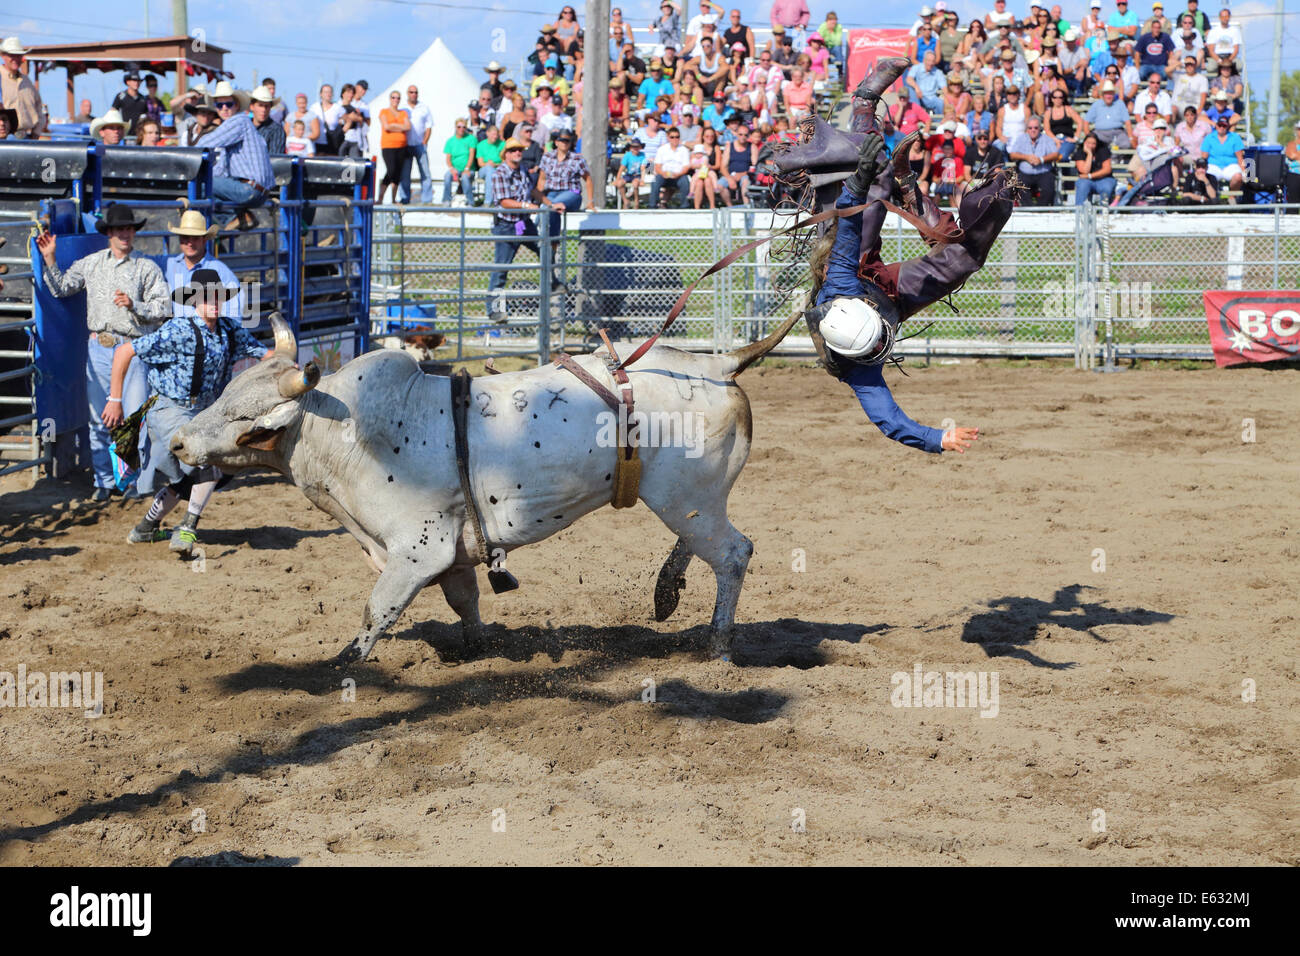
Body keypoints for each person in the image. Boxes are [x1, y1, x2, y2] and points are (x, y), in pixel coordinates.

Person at [789, 67, 1013, 456]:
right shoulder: (861, 371)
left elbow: (848, 227)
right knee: (961, 262)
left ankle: (864, 105)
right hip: (888, 298)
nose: (881, 347)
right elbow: (890, 421)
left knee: (871, 187)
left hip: (858, 272)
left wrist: (858, 185)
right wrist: (938, 438)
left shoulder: (839, 283)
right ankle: (908, 186)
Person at [105, 270, 277, 554]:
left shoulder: (229, 330)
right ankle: (187, 528)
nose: (213, 302)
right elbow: (124, 352)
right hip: (169, 409)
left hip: (203, 412)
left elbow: (263, 354)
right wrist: (114, 399)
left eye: (218, 296)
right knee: (206, 462)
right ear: (195, 300)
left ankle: (145, 529)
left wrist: (285, 363)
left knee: (189, 480)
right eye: (206, 296)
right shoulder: (179, 330)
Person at [36, 204, 170, 500]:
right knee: (100, 419)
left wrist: (135, 306)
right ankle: (104, 480)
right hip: (100, 347)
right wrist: (49, 259)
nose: (125, 233)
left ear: (134, 232)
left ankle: (131, 480)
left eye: (129, 228)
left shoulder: (146, 267)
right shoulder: (92, 263)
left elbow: (164, 308)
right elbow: (62, 288)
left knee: (133, 419)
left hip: (132, 348)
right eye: (120, 229)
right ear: (109, 233)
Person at [486, 138, 565, 320]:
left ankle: (552, 282)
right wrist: (526, 205)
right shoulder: (500, 173)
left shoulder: (522, 170)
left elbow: (533, 191)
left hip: (523, 223)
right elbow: (504, 202)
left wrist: (550, 204)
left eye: (519, 150)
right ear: (506, 154)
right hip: (506, 225)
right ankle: (494, 310)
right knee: (501, 269)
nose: (518, 153)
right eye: (513, 150)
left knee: (545, 249)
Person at [198, 84, 275, 230]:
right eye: (220, 105)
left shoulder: (239, 121)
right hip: (258, 190)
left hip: (250, 189)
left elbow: (204, 143)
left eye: (228, 104)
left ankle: (230, 220)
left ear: (237, 105)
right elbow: (221, 171)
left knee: (201, 186)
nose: (224, 108)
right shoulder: (244, 124)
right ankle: (240, 218)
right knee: (211, 184)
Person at [1008, 116, 1060, 206]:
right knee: (1020, 186)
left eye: (1036, 128)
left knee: (1048, 188)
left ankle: (1041, 211)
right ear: (1027, 129)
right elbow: (1012, 155)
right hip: (1025, 173)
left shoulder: (1047, 139)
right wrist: (1026, 157)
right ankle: (1029, 210)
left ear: (1040, 128)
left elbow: (1056, 154)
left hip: (1044, 171)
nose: (1033, 130)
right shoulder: (1021, 139)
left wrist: (1041, 159)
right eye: (1030, 128)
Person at [0, 37, 45, 138]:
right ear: (3, 56)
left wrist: (37, 132)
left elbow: (39, 107)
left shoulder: (27, 81)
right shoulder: (1, 78)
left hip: (28, 137)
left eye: (18, 56)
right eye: (12, 55)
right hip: (6, 138)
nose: (15, 59)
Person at [397, 84, 434, 205]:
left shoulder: (424, 108)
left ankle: (427, 199)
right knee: (405, 174)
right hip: (406, 145)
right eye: (411, 92)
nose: (414, 94)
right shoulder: (402, 108)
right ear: (407, 93)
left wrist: (425, 141)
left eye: (416, 92)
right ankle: (404, 198)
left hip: (419, 144)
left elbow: (429, 126)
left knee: (425, 172)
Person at [378, 91, 410, 205]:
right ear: (390, 99)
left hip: (401, 146)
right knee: (390, 170)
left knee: (397, 173)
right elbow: (386, 126)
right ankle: (380, 198)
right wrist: (400, 127)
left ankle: (393, 199)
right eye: (393, 97)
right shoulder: (384, 112)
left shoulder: (403, 113)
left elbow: (408, 126)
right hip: (388, 146)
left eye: (398, 98)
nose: (395, 100)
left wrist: (393, 126)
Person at [1199, 115, 1244, 193]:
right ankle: (1213, 197)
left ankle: (1232, 196)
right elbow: (1204, 157)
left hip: (1231, 166)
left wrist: (1244, 172)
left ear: (1228, 126)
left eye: (1224, 125)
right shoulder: (1209, 137)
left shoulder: (1235, 137)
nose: (1222, 127)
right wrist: (1201, 169)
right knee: (1206, 177)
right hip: (1213, 165)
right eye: (1220, 125)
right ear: (1216, 126)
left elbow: (1240, 158)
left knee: (1238, 177)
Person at [651, 125, 692, 208]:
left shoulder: (684, 150)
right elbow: (657, 166)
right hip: (664, 175)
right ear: (668, 138)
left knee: (685, 181)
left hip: (679, 175)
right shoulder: (662, 149)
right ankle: (652, 205)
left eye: (677, 137)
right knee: (655, 181)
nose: (675, 139)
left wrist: (678, 174)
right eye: (672, 137)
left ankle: (685, 206)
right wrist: (663, 173)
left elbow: (686, 167)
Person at [1085, 80, 1134, 147]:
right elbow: (1086, 122)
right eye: (1106, 93)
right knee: (1094, 144)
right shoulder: (1097, 104)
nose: (1108, 96)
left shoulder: (1120, 103)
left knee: (1126, 144)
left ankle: (1116, 157)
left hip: (1117, 133)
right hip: (1100, 133)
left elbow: (1127, 122)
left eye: (1110, 93)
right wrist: (1088, 136)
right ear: (1103, 95)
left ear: (1114, 94)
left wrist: (1131, 138)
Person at [1074, 129, 1116, 204]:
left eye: (1093, 143)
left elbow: (1107, 170)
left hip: (1104, 179)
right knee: (1082, 185)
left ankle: (1103, 212)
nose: (1090, 146)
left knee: (1107, 187)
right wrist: (1089, 155)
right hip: (1087, 181)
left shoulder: (1103, 151)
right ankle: (1080, 211)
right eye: (1088, 143)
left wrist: (1089, 176)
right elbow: (1084, 171)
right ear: (1084, 143)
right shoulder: (1079, 152)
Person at [443, 118, 477, 204]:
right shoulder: (450, 141)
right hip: (455, 168)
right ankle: (446, 200)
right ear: (455, 127)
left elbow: (471, 155)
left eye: (463, 127)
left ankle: (470, 201)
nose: (461, 129)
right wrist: (451, 168)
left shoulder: (471, 139)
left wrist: (467, 168)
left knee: (465, 178)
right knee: (447, 176)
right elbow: (448, 158)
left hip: (468, 168)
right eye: (459, 127)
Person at [475, 123, 506, 205]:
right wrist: (488, 164)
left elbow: (505, 161)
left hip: (498, 169)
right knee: (489, 170)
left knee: (491, 172)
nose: (495, 137)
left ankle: (489, 202)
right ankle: (489, 201)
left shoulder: (502, 144)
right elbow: (480, 163)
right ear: (487, 133)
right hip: (484, 170)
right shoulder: (481, 145)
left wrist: (495, 164)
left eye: (496, 135)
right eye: (493, 134)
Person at [250, 84, 285, 155]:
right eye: (260, 105)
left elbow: (274, 160)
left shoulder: (276, 130)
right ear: (252, 107)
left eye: (267, 106)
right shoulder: (244, 127)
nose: (263, 109)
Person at [615, 137, 648, 207]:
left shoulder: (642, 156)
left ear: (640, 147)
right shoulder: (627, 155)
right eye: (633, 147)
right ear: (630, 148)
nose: (635, 149)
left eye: (637, 147)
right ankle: (625, 200)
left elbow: (643, 169)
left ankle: (636, 200)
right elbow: (622, 168)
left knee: (635, 184)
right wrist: (617, 179)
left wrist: (642, 180)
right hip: (629, 175)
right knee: (619, 183)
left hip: (638, 175)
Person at [112, 70, 148, 135]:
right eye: (134, 80)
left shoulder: (143, 99)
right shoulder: (121, 96)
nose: (136, 83)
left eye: (138, 81)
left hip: (139, 134)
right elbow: (113, 112)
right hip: (124, 134)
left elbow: (145, 116)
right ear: (128, 82)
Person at [309, 84, 340, 156]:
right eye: (326, 92)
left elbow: (347, 120)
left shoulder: (337, 107)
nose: (328, 94)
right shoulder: (314, 107)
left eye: (330, 92)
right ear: (321, 94)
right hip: (318, 142)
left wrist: (341, 132)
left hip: (333, 143)